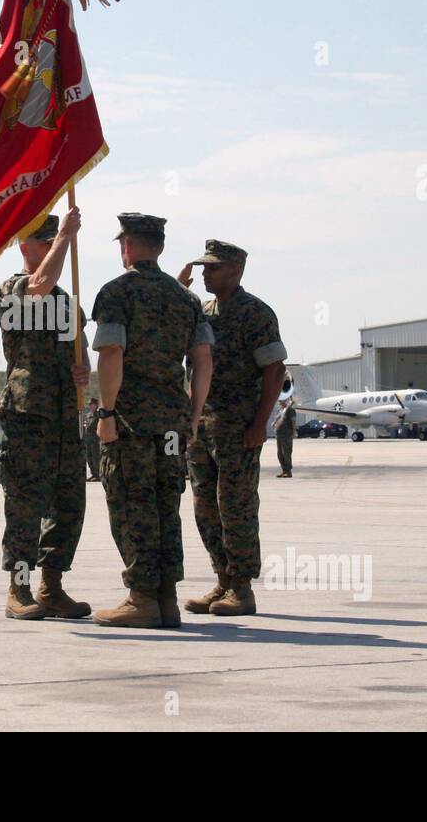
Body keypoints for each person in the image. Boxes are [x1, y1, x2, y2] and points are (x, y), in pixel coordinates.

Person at [91, 214, 213, 629]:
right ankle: (165, 597)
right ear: (159, 246)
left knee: (131, 503)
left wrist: (106, 412)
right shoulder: (186, 300)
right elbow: (202, 361)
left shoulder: (116, 292)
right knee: (166, 505)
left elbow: (110, 354)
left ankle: (142, 596)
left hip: (132, 420)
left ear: (126, 245)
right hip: (174, 423)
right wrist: (194, 417)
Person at [177, 240, 287, 617]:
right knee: (205, 505)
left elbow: (275, 370)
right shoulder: (202, 312)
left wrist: (261, 424)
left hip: (238, 426)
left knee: (235, 505)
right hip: (202, 425)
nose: (205, 273)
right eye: (204, 267)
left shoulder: (255, 313)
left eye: (213, 268)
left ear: (235, 271)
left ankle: (241, 587)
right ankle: (222, 579)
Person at [0, 209, 92, 620]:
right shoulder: (15, 288)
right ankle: (18, 589)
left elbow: (79, 344)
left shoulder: (67, 301)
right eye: (47, 241)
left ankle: (51, 586)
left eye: (55, 240)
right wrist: (66, 238)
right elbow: (39, 285)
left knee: (69, 502)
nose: (54, 247)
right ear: (25, 246)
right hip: (26, 413)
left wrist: (83, 369)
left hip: (65, 413)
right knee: (25, 503)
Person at [276, 385, 296, 479]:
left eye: (281, 400)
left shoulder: (290, 410)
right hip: (279, 434)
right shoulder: (280, 410)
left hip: (287, 434)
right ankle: (284, 470)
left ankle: (288, 471)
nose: (280, 402)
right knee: (279, 453)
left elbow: (293, 422)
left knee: (286, 452)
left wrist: (293, 432)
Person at [81, 398, 101, 482]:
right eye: (90, 404)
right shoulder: (89, 415)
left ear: (96, 405)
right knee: (89, 458)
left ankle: (98, 475)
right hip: (88, 440)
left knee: (95, 458)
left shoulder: (98, 415)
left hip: (95, 440)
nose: (90, 406)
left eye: (92, 404)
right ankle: (93, 474)